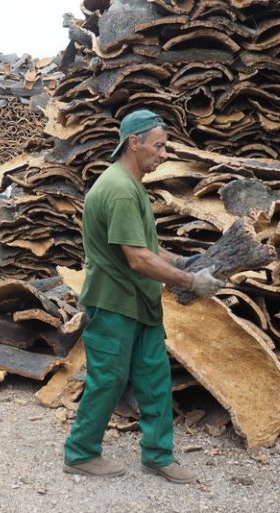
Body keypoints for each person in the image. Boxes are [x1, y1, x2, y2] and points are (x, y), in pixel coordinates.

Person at [62, 110, 224, 483]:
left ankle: (158, 456)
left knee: (154, 379)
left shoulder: (131, 185)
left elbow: (146, 246)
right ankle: (81, 453)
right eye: (159, 146)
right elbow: (137, 259)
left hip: (140, 304)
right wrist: (189, 280)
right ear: (133, 143)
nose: (165, 154)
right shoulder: (118, 189)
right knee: (107, 379)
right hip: (114, 303)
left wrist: (183, 260)